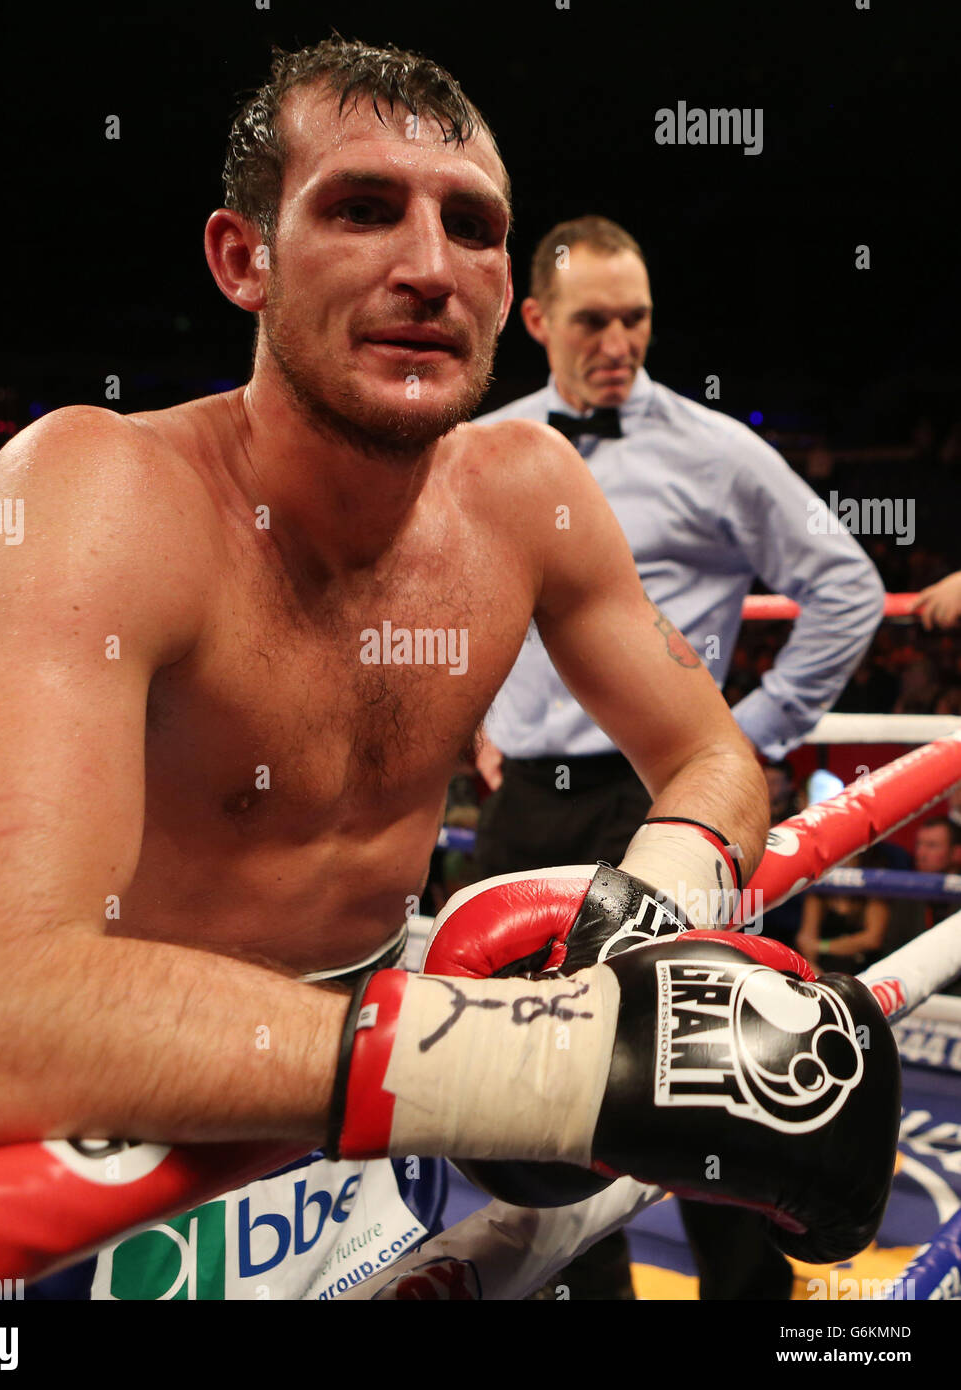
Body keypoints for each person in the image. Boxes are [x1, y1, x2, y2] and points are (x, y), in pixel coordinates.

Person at [0, 40, 897, 1301]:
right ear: (242, 258)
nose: (426, 266)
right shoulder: (96, 489)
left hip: (357, 1127)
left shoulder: (527, 496)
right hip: (79, 1155)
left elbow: (705, 754)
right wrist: (550, 1063)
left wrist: (654, 909)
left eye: (469, 225)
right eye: (362, 209)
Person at [473, 215, 885, 1300]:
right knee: (531, 1098)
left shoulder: (712, 446)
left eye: (636, 317)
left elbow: (841, 582)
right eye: (591, 319)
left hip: (661, 802)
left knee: (702, 1091)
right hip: (521, 803)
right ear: (534, 321)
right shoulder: (495, 445)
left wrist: (745, 734)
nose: (618, 339)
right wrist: (475, 716)